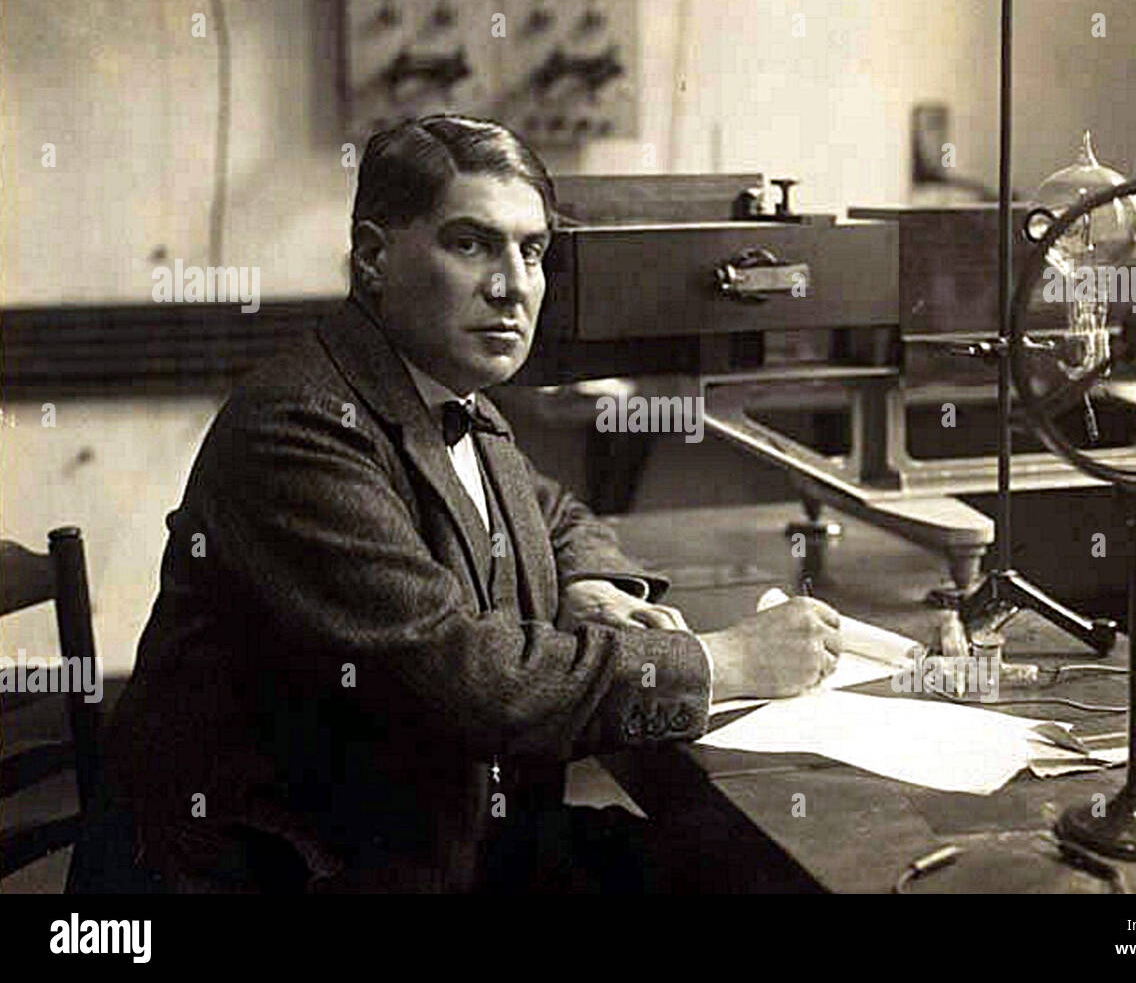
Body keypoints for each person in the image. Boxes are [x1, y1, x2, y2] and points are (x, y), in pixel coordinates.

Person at [68, 114, 841, 894]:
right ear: (373, 256)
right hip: (288, 867)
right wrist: (726, 660)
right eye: (470, 244)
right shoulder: (299, 426)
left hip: (436, 835)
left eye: (530, 250)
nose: (510, 287)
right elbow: (470, 683)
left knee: (734, 871)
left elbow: (552, 513)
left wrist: (586, 584)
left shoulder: (440, 388)